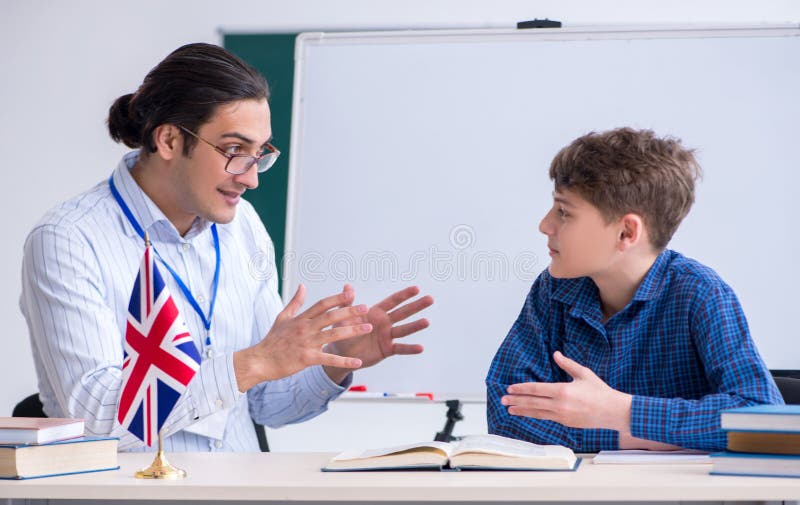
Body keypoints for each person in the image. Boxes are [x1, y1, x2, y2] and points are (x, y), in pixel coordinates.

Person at [20, 43, 433, 452]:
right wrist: (249, 364)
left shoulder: (243, 227)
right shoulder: (69, 239)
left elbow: (269, 404)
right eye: (235, 151)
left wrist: (335, 358)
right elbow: (97, 419)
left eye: (259, 153)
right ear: (168, 140)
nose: (251, 179)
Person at [485, 127, 782, 452]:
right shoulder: (553, 290)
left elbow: (763, 419)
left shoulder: (701, 294)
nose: (545, 224)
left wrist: (619, 411)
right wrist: (631, 435)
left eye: (564, 212)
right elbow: (505, 413)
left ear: (626, 232)